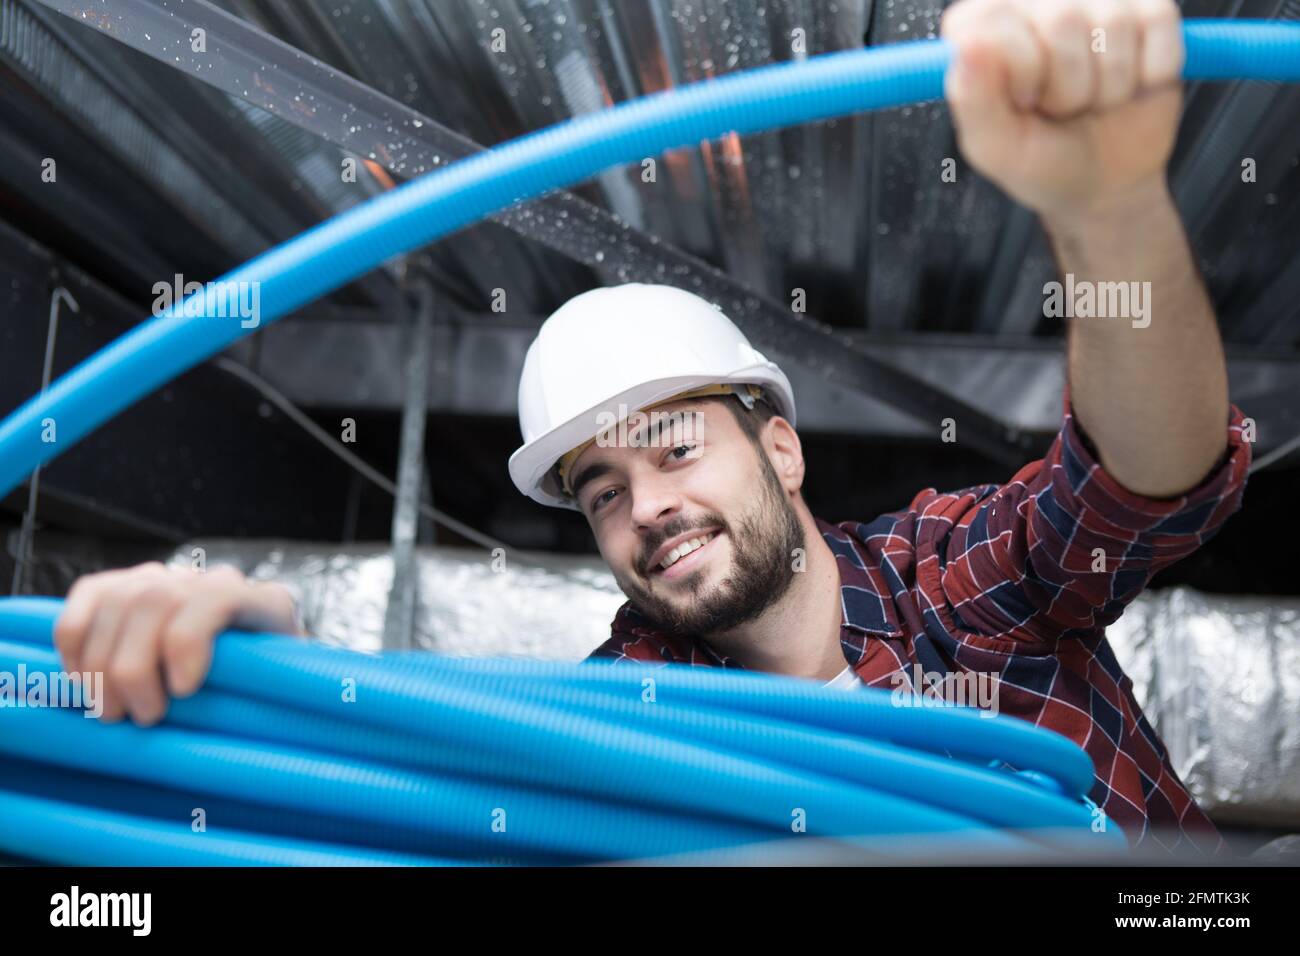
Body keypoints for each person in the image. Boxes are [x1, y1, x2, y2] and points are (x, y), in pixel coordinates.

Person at [52, 0, 1251, 854]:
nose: (647, 506)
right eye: (604, 490)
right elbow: (426, 789)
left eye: (675, 447)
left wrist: (1107, 216)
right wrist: (272, 680)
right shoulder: (625, 714)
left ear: (779, 447)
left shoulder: (954, 582)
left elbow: (1143, 483)